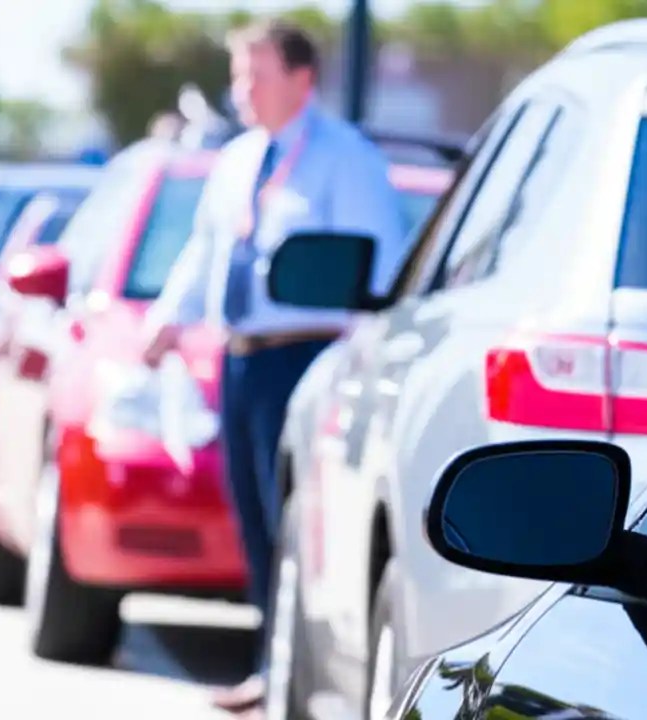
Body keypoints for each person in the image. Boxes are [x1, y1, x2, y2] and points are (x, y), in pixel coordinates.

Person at [141, 17, 408, 715]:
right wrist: (168, 320)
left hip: (306, 359)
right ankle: (270, 661)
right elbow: (206, 251)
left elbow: (374, 262)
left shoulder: (344, 158)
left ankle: (290, 671)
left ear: (301, 78)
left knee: (296, 517)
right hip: (242, 361)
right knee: (255, 518)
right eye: (237, 75)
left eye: (255, 74)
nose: (242, 91)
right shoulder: (238, 159)